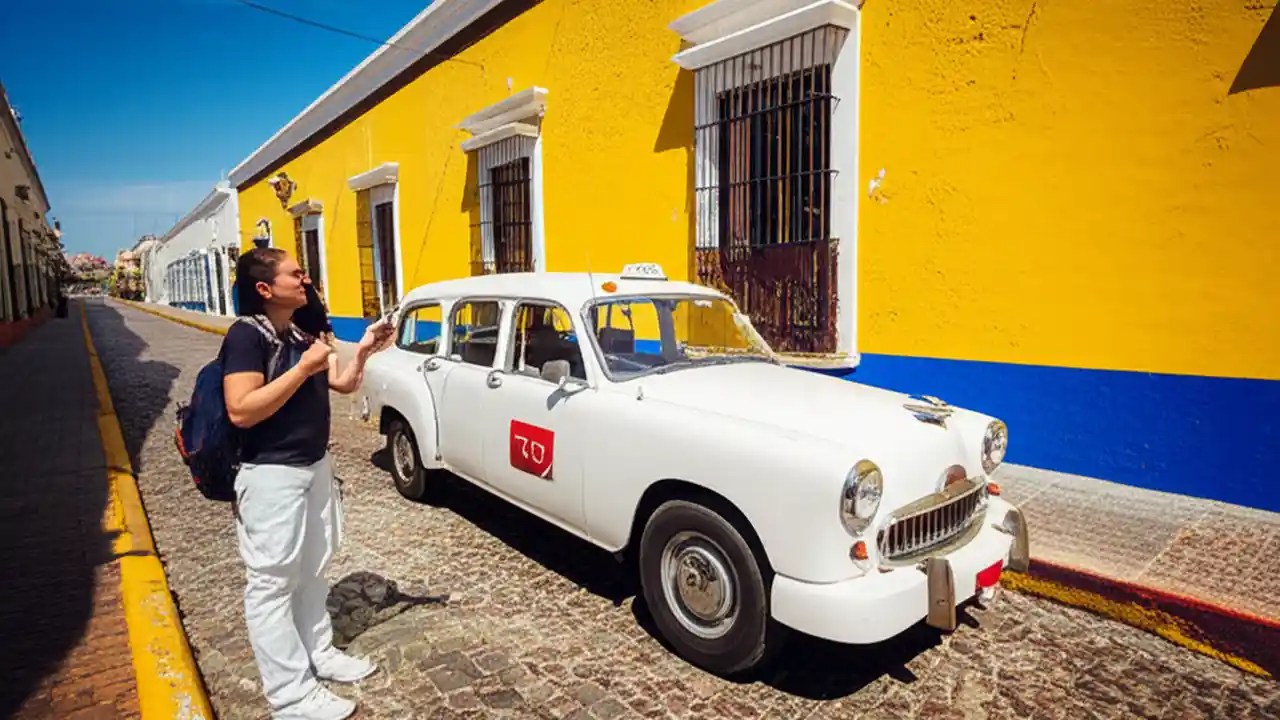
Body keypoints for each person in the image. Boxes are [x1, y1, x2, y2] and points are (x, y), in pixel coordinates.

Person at [221, 247, 394, 720]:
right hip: (272, 475)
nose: (305, 279)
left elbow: (341, 385)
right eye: (294, 273)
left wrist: (363, 350)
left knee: (314, 568)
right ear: (264, 288)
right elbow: (241, 408)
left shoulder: (296, 332)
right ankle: (290, 696)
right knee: (272, 583)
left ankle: (318, 653)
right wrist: (302, 368)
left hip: (314, 467)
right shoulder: (245, 336)